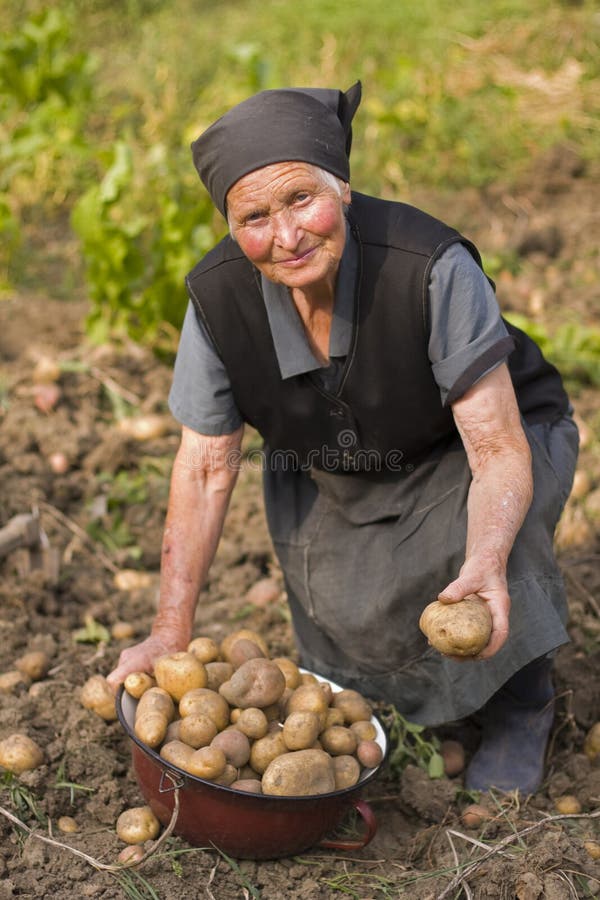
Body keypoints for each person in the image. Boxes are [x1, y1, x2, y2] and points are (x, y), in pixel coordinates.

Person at [107, 82, 578, 794]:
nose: (286, 236)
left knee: (487, 550)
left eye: (302, 199)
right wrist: (171, 630)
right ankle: (407, 707)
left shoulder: (429, 266)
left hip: (478, 444)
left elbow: (497, 450)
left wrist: (486, 559)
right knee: (343, 599)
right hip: (339, 461)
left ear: (345, 188)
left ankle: (521, 704)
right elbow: (206, 467)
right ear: (231, 227)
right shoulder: (217, 301)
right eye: (255, 216)